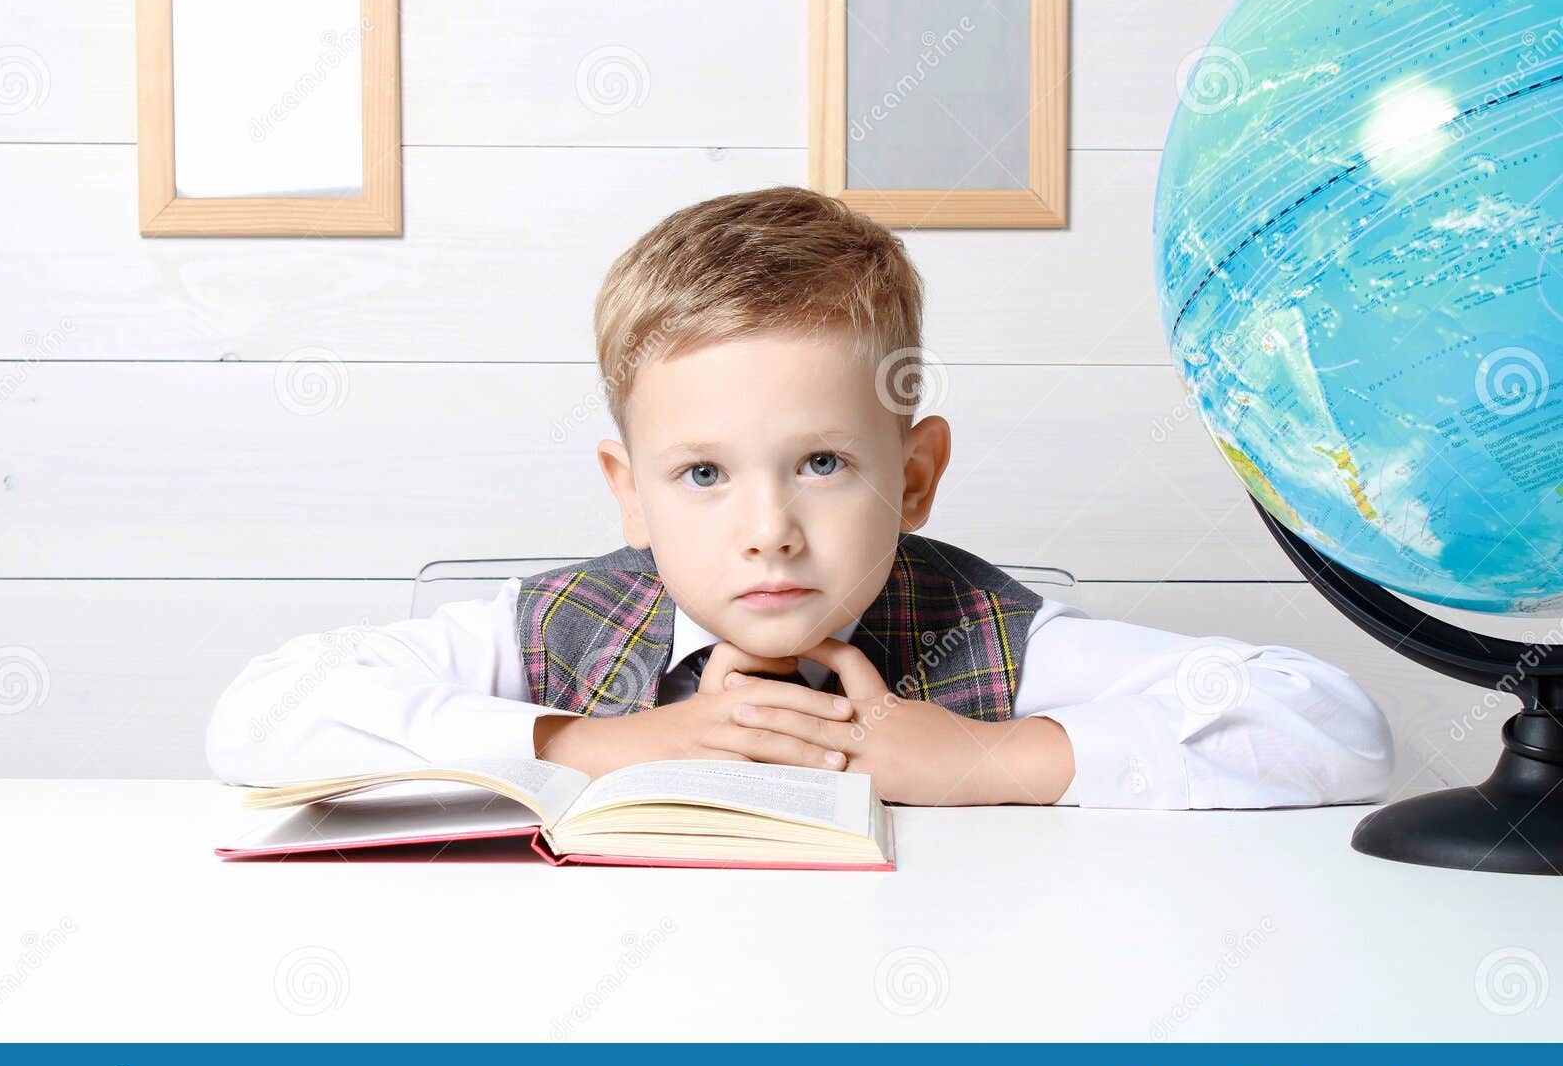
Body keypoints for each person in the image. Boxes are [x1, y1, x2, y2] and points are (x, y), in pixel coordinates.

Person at [205, 186, 1393, 808]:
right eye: (703, 474)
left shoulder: (984, 638)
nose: (767, 525)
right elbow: (261, 716)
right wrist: (596, 743)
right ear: (631, 493)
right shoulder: (552, 629)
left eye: (821, 463)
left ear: (913, 475)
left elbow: (1331, 725)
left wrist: (987, 760)